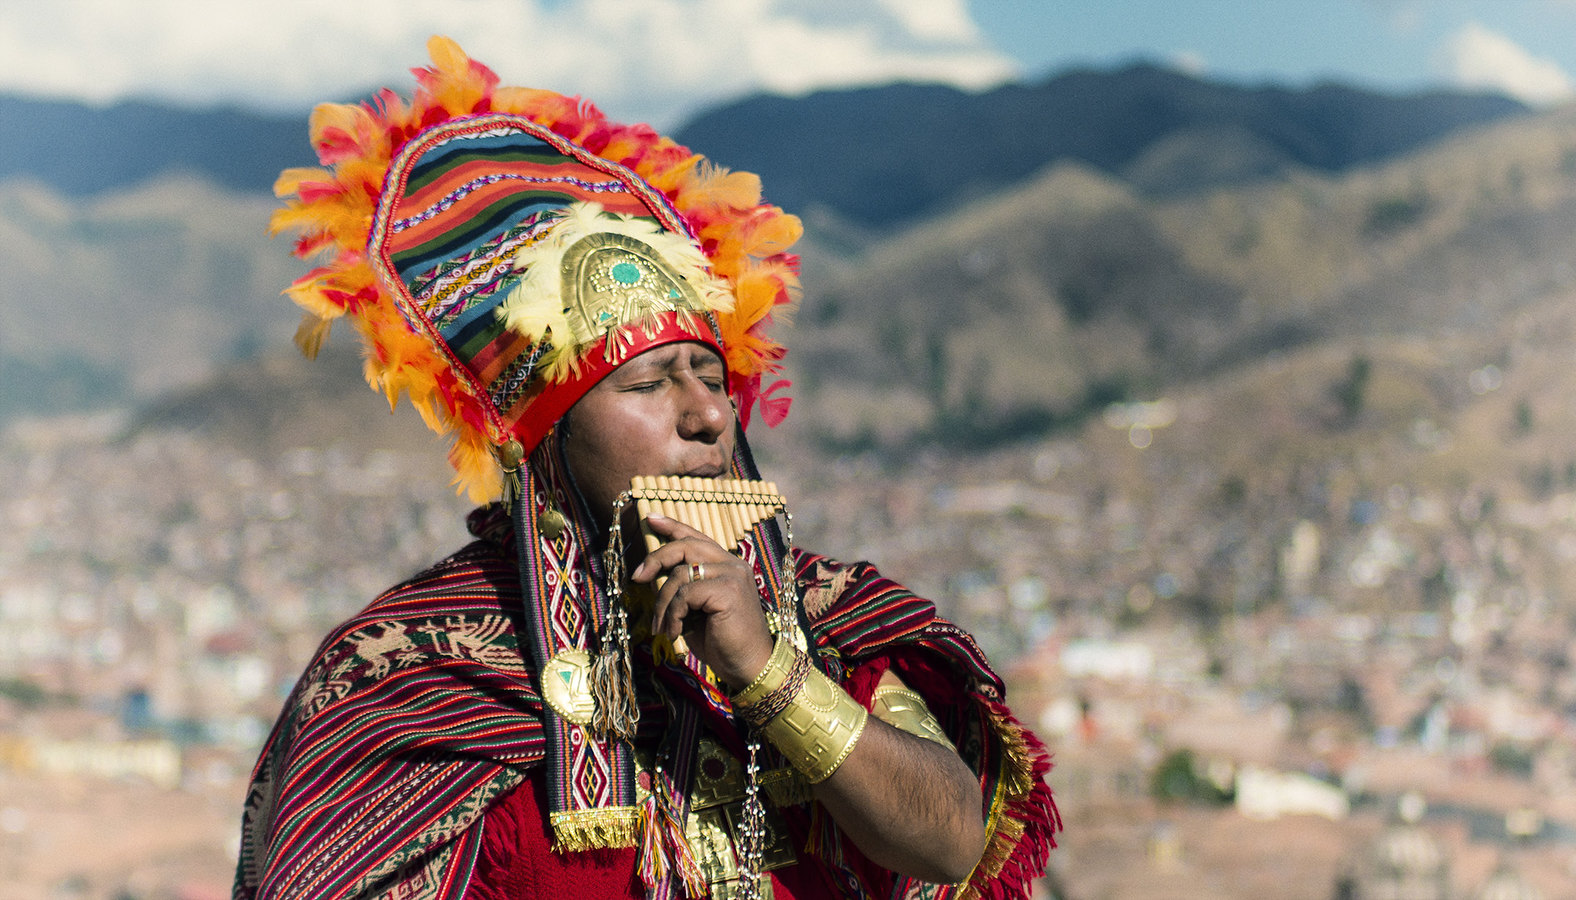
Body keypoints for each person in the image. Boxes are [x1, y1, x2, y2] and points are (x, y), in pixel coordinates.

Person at [234, 37, 1059, 900]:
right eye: (648, 382)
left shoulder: (824, 619)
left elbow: (953, 841)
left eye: (710, 376)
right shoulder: (412, 673)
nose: (707, 414)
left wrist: (770, 674)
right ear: (551, 441)